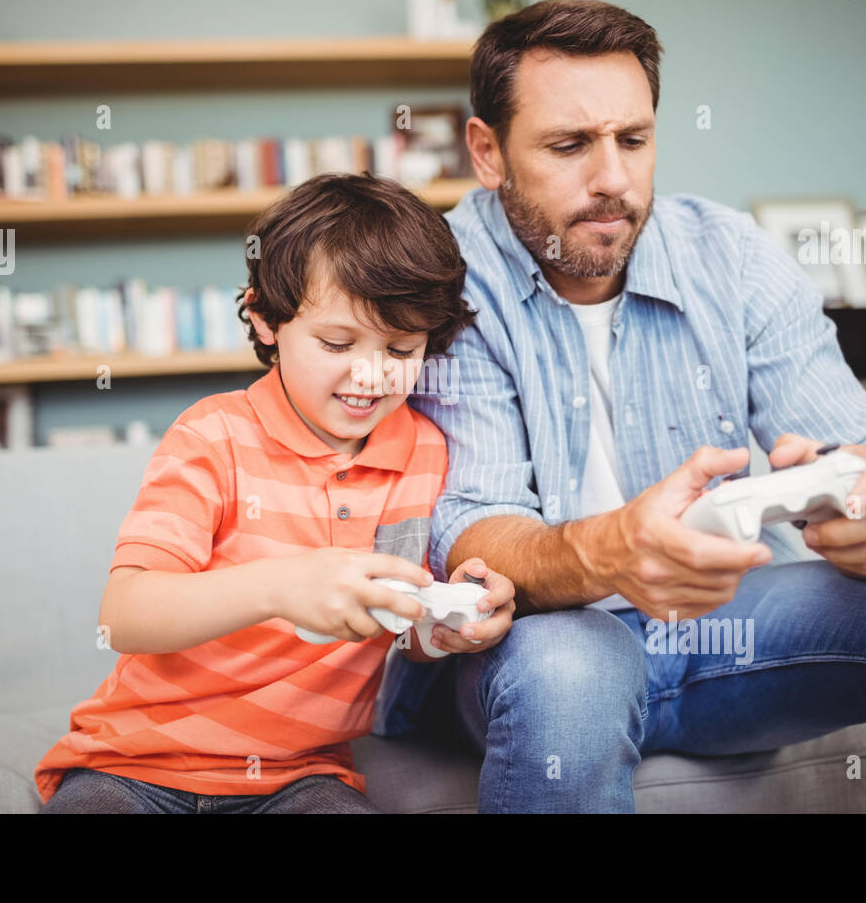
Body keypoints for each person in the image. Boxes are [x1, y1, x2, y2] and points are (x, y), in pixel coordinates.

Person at [382, 0, 866, 813]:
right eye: (569, 145)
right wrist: (616, 549)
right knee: (570, 674)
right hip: (541, 639)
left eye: (633, 139)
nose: (613, 179)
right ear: (488, 152)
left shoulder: (732, 256)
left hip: (727, 623)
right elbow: (474, 535)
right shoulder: (439, 282)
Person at [35, 172, 515, 813]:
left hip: (302, 777)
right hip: (136, 767)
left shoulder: (426, 453)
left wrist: (452, 624)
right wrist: (281, 587)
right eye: (336, 343)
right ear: (265, 319)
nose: (371, 374)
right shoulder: (213, 436)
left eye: (401, 349)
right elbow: (123, 615)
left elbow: (400, 631)